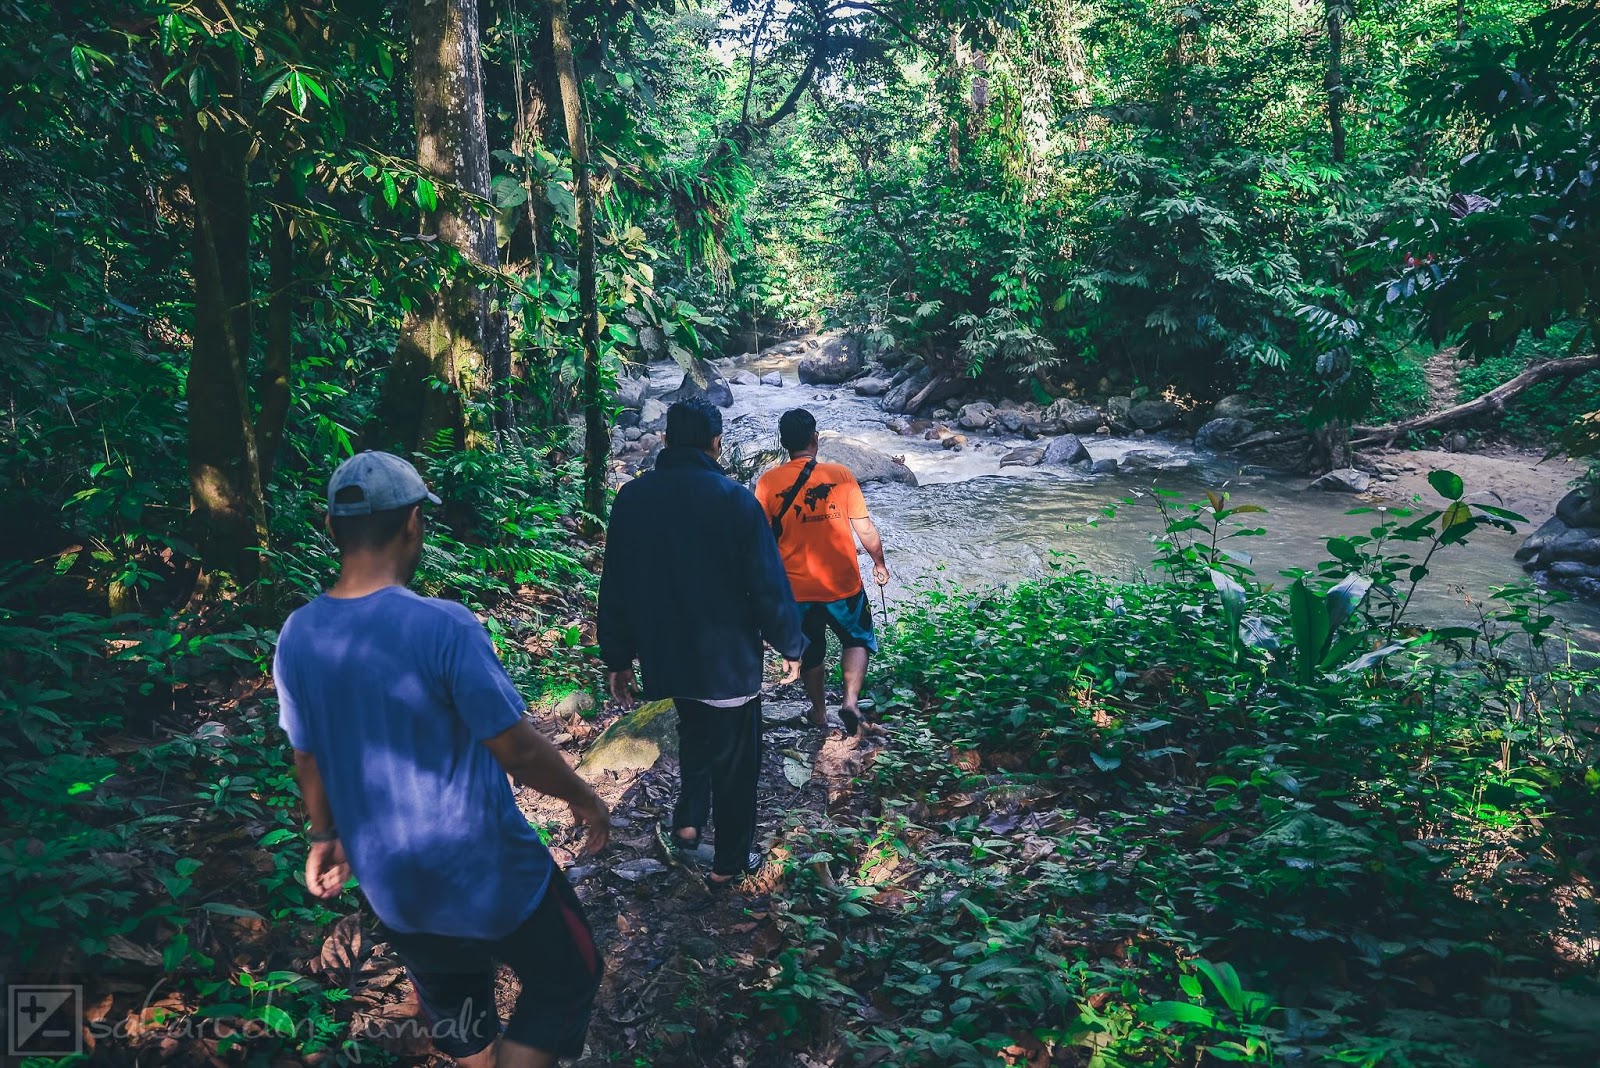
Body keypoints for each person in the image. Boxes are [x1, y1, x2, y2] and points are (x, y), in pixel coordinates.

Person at [274, 451, 610, 1068]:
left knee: (461, 1015)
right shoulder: (444, 627)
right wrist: (585, 799)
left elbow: (308, 754)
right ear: (411, 523)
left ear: (330, 529)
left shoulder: (298, 634)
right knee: (572, 972)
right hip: (488, 873)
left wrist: (324, 835)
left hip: (396, 886)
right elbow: (516, 748)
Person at [597, 399, 805, 888]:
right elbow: (766, 585)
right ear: (716, 444)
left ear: (666, 440)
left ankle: (688, 826)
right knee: (736, 764)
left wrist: (617, 657)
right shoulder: (734, 500)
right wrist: (790, 644)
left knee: (694, 731)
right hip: (727, 661)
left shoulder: (632, 498)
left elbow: (618, 583)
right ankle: (729, 864)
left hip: (667, 657)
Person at [754, 408, 891, 738]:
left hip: (796, 590)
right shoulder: (841, 475)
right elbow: (866, 529)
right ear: (815, 439)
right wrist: (879, 562)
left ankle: (818, 712)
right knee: (856, 638)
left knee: (811, 651)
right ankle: (850, 701)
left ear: (784, 443)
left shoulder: (769, 482)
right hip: (842, 584)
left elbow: (758, 539)